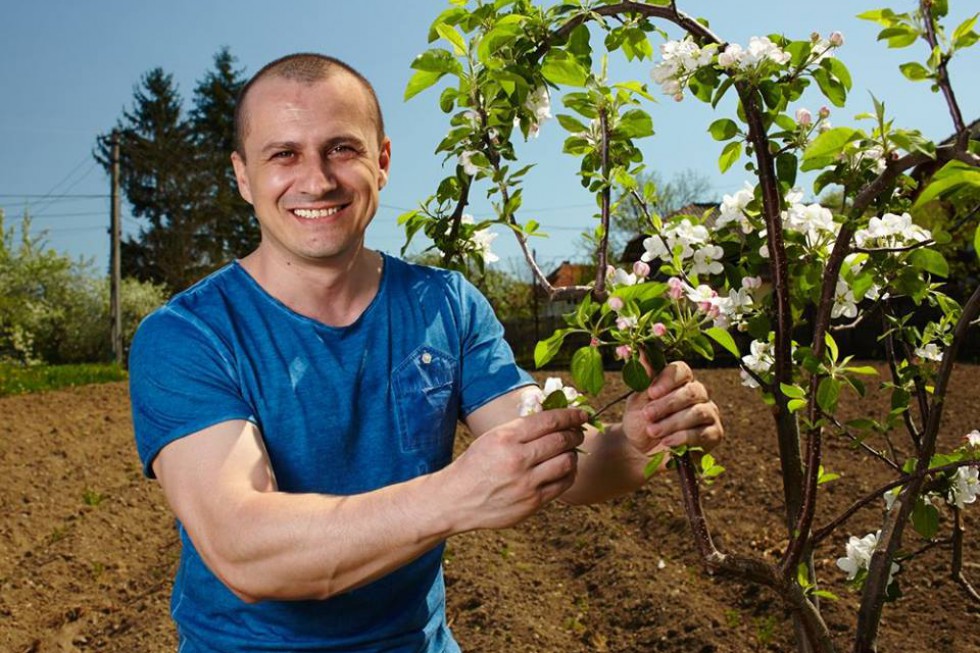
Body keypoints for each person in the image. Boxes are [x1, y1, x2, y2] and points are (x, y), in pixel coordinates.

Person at [128, 52, 724, 653]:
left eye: (342, 149)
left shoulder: (445, 306)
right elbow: (243, 550)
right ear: (243, 176)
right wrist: (457, 493)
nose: (316, 179)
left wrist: (635, 443)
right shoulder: (188, 335)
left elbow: (548, 451)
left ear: (381, 161)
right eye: (284, 154)